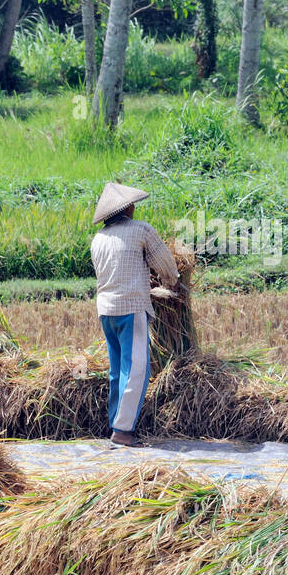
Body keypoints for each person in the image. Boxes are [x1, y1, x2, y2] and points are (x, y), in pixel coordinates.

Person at [89, 181, 180, 448]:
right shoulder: (140, 230)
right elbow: (165, 264)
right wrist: (173, 281)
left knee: (117, 370)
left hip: (106, 311)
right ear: (127, 208)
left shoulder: (99, 238)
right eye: (132, 205)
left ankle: (115, 421)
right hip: (131, 308)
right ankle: (123, 430)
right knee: (137, 368)